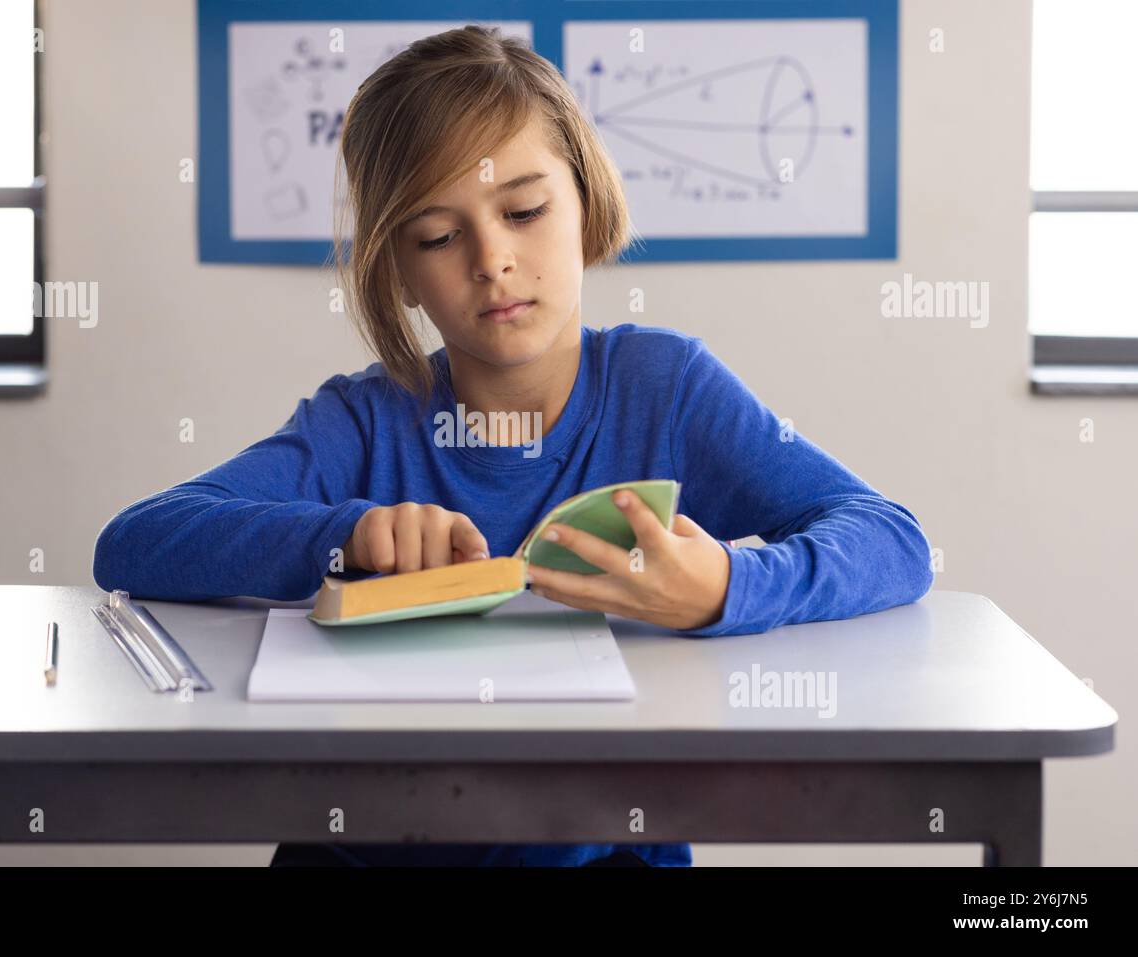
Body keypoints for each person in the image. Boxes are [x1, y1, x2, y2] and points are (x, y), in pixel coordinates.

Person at [93, 25, 934, 867]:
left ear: (586, 203)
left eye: (525, 211)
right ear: (397, 270)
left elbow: (894, 539)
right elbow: (136, 538)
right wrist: (341, 535)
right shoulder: (362, 422)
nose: (493, 260)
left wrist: (727, 588)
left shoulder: (665, 388)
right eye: (436, 236)